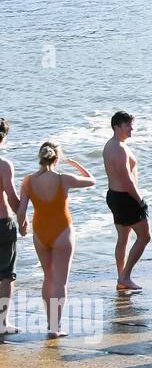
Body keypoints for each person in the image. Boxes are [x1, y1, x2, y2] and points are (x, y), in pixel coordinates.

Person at [16, 143, 95, 337]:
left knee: (48, 278)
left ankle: (49, 322)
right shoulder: (63, 179)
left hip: (40, 233)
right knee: (60, 282)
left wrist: (22, 227)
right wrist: (77, 165)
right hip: (63, 232)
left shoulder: (27, 181)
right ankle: (55, 327)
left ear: (40, 158)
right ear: (57, 159)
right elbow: (91, 180)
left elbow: (21, 211)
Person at [102, 111, 150, 291]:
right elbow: (127, 180)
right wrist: (140, 201)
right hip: (125, 197)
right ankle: (125, 276)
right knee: (145, 236)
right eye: (128, 125)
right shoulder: (119, 148)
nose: (132, 128)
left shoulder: (112, 145)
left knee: (123, 238)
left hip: (114, 196)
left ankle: (121, 278)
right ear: (117, 127)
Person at [0, 119, 17, 334]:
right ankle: (2, 323)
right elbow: (12, 198)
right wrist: (23, 219)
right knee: (6, 275)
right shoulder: (3, 165)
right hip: (2, 222)